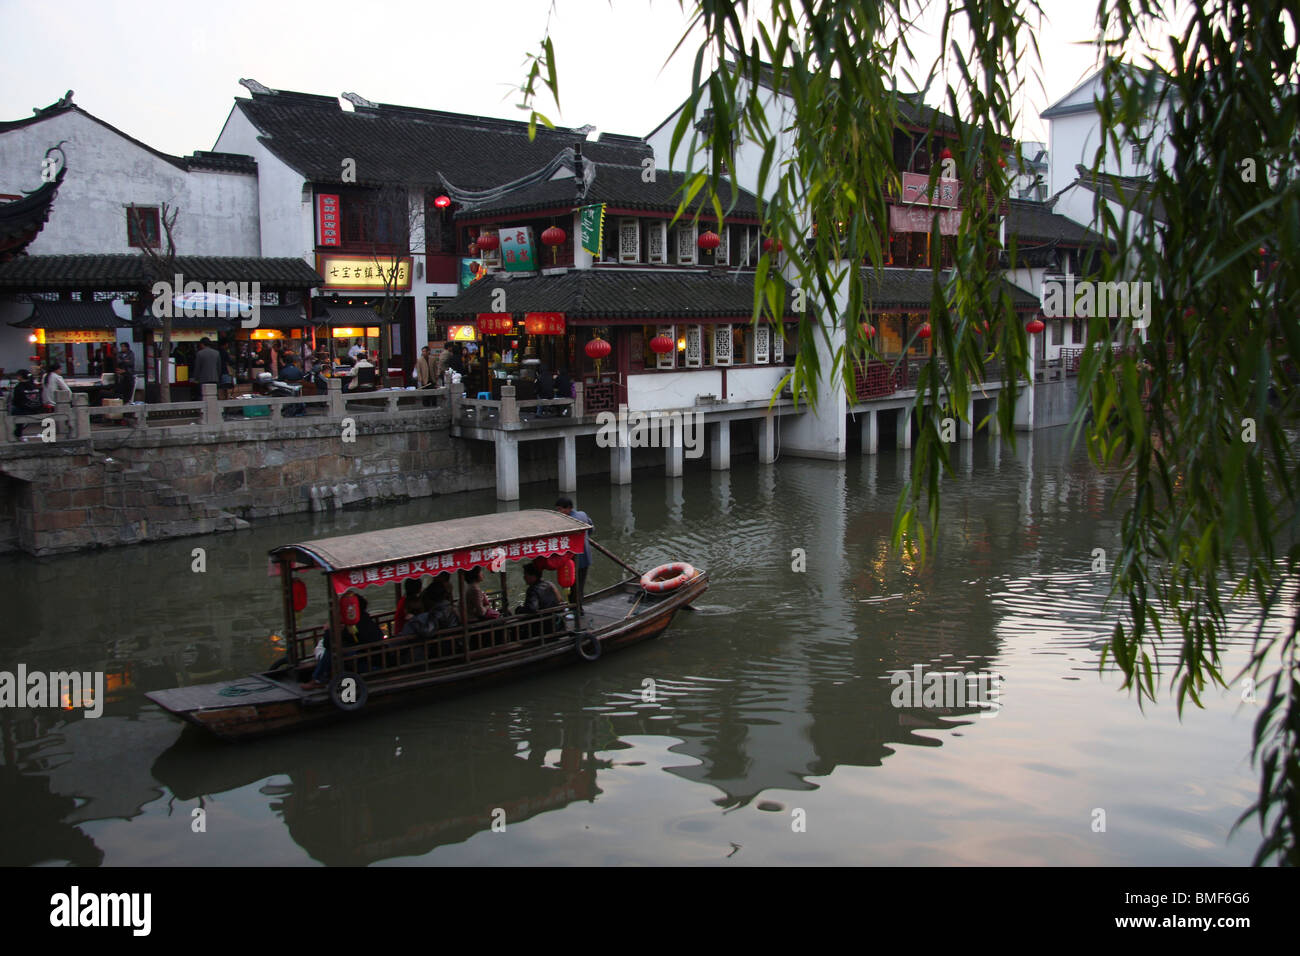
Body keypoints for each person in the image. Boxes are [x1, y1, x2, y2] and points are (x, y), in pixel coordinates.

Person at [302, 594, 383, 688]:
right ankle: (321, 677)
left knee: (332, 652)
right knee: (337, 651)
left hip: (369, 664)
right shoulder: (362, 619)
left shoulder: (355, 624)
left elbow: (328, 644)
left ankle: (318, 679)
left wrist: (328, 630)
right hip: (367, 658)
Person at [555, 497, 593, 606]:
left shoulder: (569, 521)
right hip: (585, 555)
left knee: (575, 586)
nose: (559, 512)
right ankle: (576, 606)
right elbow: (591, 529)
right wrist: (584, 538)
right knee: (578, 585)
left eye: (560, 509)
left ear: (568, 509)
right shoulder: (582, 514)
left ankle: (577, 610)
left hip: (576, 558)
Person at [9, 369, 43, 440]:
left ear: (20, 377)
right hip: (37, 410)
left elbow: (16, 401)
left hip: (24, 410)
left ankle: (18, 432)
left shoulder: (19, 387)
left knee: (14, 410)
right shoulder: (34, 386)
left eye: (17, 376)